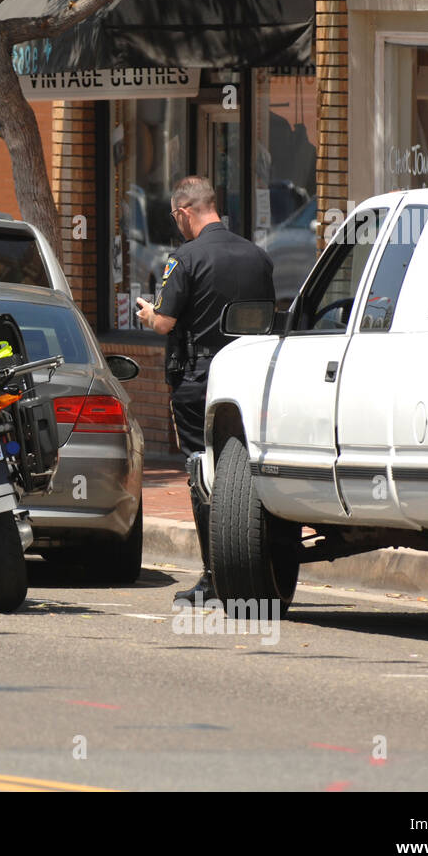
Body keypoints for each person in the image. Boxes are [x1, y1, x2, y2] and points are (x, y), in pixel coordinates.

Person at [136, 176, 274, 604]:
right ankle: (256, 574)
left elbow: (163, 322)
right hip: (251, 385)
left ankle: (214, 578)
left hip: (200, 385)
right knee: (246, 479)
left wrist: (146, 314)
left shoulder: (186, 258)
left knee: (204, 477)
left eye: (176, 217)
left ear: (184, 211)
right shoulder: (258, 257)